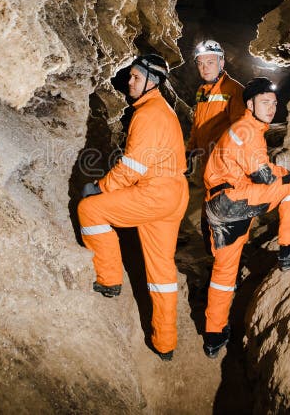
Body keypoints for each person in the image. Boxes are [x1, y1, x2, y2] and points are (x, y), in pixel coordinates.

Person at [77, 54, 189, 361]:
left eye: (136, 78)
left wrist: (99, 188)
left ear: (152, 82)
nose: (130, 82)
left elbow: (131, 168)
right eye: (130, 76)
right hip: (174, 193)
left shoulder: (149, 113)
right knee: (161, 269)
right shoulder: (162, 110)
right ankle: (165, 344)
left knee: (91, 210)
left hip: (156, 192)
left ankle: (110, 280)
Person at [201, 77, 290, 358]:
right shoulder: (246, 130)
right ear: (250, 104)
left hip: (219, 207)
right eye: (265, 102)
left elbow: (258, 169)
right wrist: (284, 175)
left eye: (274, 103)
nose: (271, 108)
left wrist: (275, 172)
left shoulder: (240, 129)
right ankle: (288, 252)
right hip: (234, 201)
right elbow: (263, 176)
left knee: (224, 273)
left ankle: (213, 336)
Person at [186, 39, 245, 171]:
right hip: (205, 162)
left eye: (210, 62)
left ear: (221, 63)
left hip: (225, 166)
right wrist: (190, 151)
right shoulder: (202, 91)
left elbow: (242, 131)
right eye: (200, 63)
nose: (204, 68)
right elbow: (197, 125)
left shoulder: (234, 90)